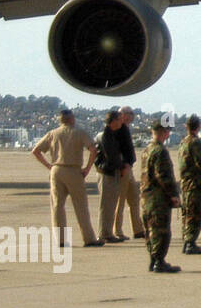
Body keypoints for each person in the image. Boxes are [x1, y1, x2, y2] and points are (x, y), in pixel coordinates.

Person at [30, 110, 101, 248]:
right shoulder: (79, 132)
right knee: (81, 205)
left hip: (57, 169)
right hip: (73, 170)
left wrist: (49, 166)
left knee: (57, 206)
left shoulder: (53, 133)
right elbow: (93, 149)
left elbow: (36, 151)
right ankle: (89, 238)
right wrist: (87, 168)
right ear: (72, 119)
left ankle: (61, 240)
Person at [140, 118, 181, 273]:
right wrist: (173, 194)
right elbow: (163, 176)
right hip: (158, 197)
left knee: (150, 229)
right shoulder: (160, 151)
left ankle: (153, 259)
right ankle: (159, 261)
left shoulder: (147, 149)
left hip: (146, 196)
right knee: (161, 230)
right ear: (164, 132)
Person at [94, 109, 130, 242]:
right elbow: (112, 155)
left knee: (111, 204)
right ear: (113, 121)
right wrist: (122, 166)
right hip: (107, 172)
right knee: (107, 204)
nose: (122, 122)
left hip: (110, 172)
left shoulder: (110, 134)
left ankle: (108, 232)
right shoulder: (105, 135)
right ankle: (105, 233)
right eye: (119, 119)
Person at [177, 115, 201, 254]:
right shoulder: (195, 142)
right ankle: (190, 242)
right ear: (198, 127)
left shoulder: (183, 142)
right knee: (195, 213)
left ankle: (187, 240)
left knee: (187, 212)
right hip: (195, 182)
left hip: (185, 181)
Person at [113, 106, 144, 240]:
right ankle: (117, 231)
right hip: (123, 168)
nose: (132, 116)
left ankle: (138, 230)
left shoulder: (125, 128)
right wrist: (122, 165)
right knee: (120, 202)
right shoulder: (118, 129)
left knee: (134, 199)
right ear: (123, 114)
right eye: (130, 113)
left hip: (129, 168)